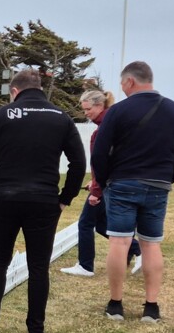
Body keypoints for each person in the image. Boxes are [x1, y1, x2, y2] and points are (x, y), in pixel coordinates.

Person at [0, 67, 86, 333]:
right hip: (44, 200)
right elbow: (79, 163)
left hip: (3, 198)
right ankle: (35, 330)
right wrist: (64, 199)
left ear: (15, 91)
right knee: (38, 266)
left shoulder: (1, 116)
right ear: (40, 89)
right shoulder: (61, 118)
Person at [88, 61, 174, 322]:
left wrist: (103, 180)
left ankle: (115, 304)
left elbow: (99, 152)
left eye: (122, 83)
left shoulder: (118, 111)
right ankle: (151, 307)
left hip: (122, 183)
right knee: (151, 244)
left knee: (119, 242)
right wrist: (168, 177)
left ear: (130, 82)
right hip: (158, 184)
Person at [59, 88, 141, 278]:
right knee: (102, 224)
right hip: (113, 182)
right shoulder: (115, 124)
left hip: (107, 186)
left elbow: (100, 161)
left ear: (99, 105)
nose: (86, 114)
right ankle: (135, 248)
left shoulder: (103, 129)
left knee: (86, 223)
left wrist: (96, 188)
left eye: (88, 109)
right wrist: (95, 180)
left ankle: (86, 265)